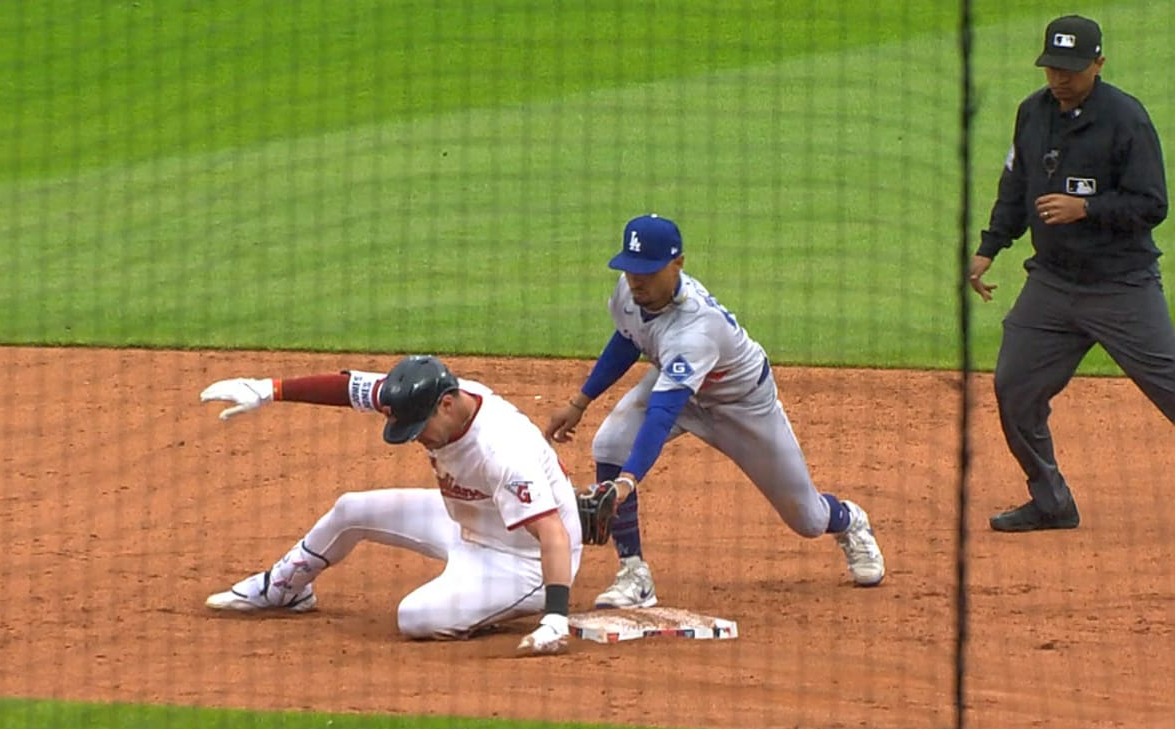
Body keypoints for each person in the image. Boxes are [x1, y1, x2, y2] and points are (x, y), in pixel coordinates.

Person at [545, 213, 885, 606]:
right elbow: (628, 339)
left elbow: (662, 414)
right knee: (609, 445)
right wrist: (579, 402)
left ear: (678, 264)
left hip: (740, 405)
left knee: (806, 519)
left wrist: (628, 481)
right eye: (631, 269)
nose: (637, 280)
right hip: (678, 384)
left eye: (649, 271)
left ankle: (849, 520)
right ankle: (634, 574)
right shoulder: (630, 290)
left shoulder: (696, 328)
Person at [200, 354, 581, 656]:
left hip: (525, 562)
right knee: (351, 509)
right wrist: (268, 389)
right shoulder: (423, 394)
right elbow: (349, 388)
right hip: (473, 520)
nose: (418, 440)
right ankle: (284, 590)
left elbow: (553, 532)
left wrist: (556, 619)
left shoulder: (502, 449)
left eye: (419, 431)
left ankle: (512, 609)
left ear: (446, 405)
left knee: (415, 618)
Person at [970, 15, 1173, 532]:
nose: (1060, 77)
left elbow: (1152, 204)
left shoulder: (1127, 119)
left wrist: (1089, 209)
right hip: (1053, 287)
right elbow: (1015, 186)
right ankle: (1051, 501)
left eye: (1072, 68)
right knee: (1015, 387)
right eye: (1053, 67)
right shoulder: (1032, 114)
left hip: (1122, 286)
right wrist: (990, 247)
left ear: (1098, 64)